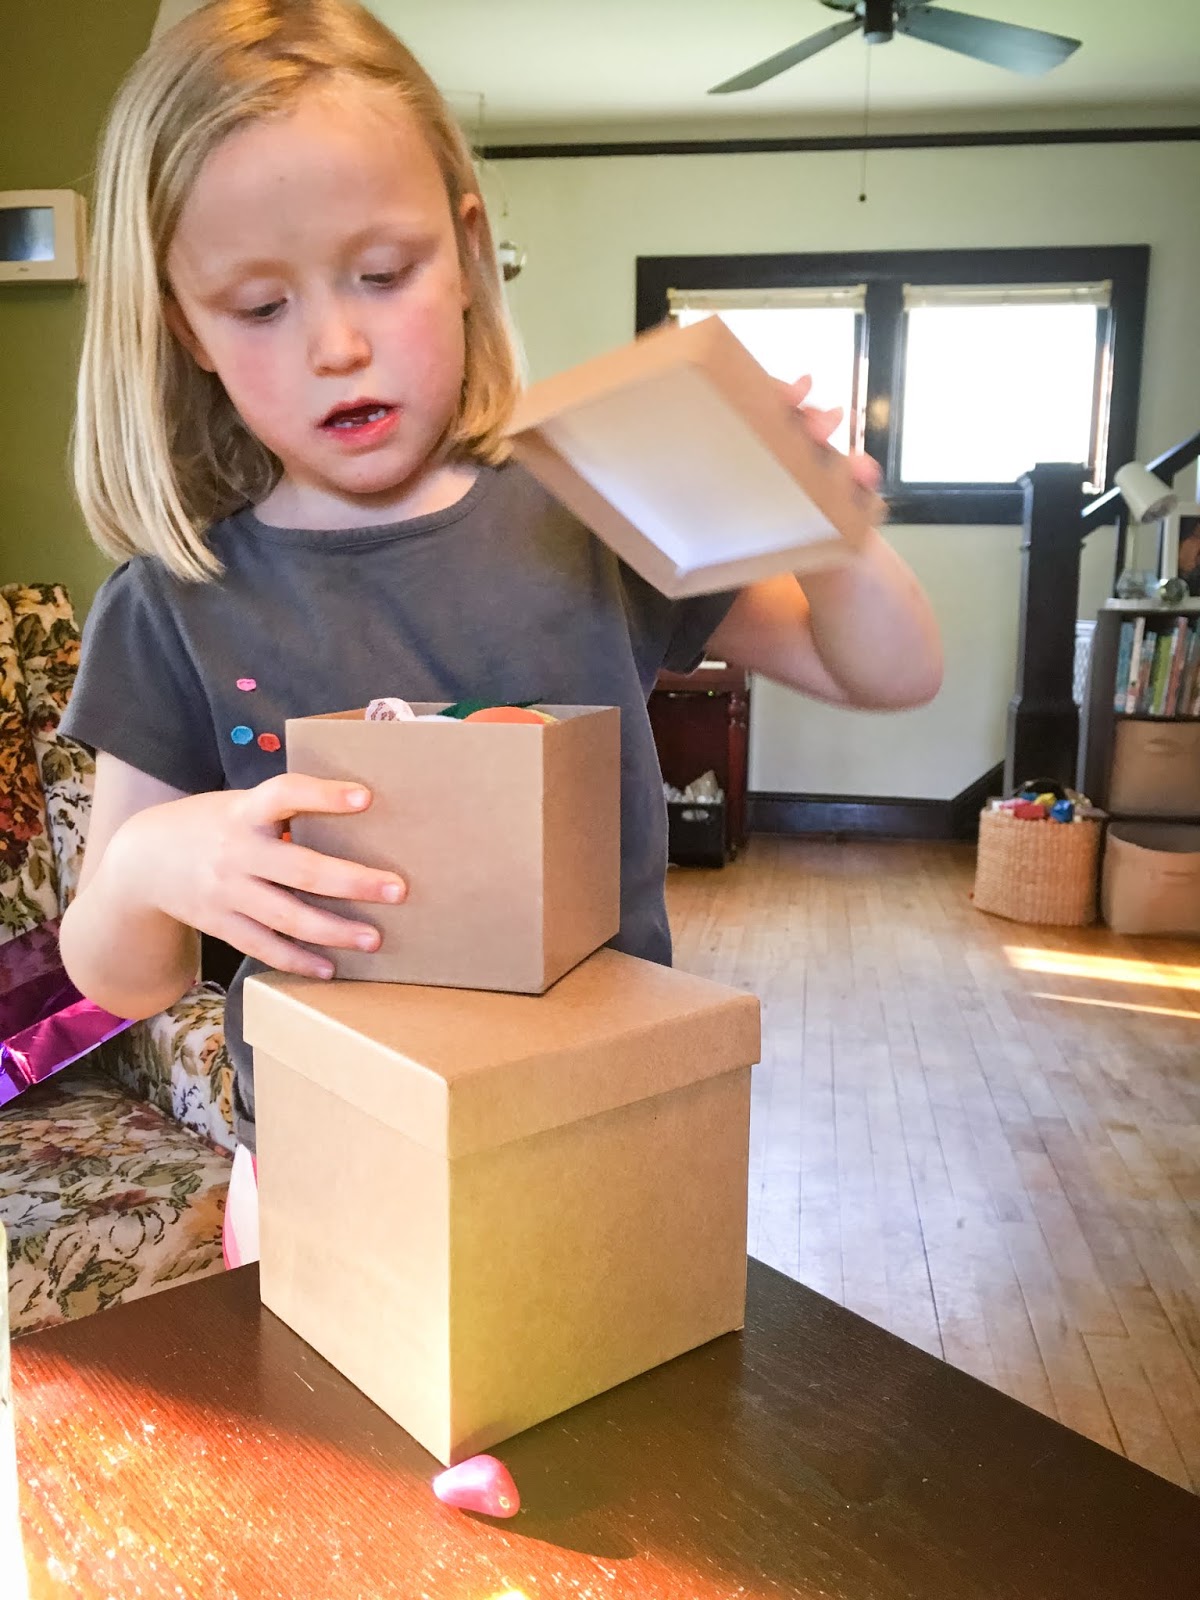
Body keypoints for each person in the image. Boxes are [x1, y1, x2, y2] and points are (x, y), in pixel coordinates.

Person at [60, 0, 942, 1153]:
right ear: (187, 328)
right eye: (262, 307)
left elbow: (887, 671)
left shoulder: (595, 502)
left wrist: (830, 530)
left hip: (598, 1128)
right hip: (328, 1158)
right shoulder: (174, 597)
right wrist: (141, 869)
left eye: (382, 272)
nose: (337, 344)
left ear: (468, 254)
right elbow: (119, 978)